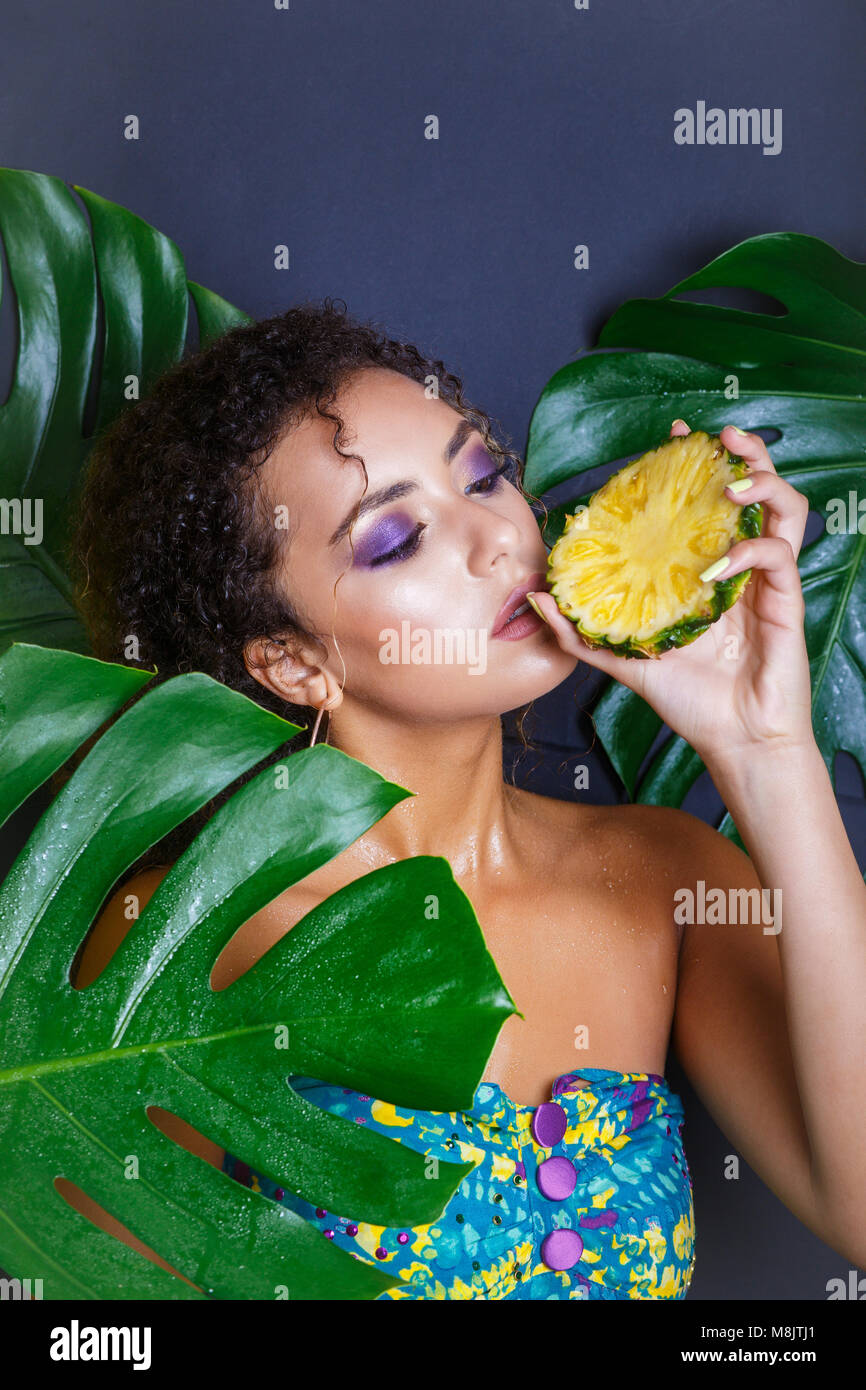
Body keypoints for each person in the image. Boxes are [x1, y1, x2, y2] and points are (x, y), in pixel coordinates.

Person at [68, 298, 866, 1299]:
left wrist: (767, 749)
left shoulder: (668, 879)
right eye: (398, 536)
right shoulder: (184, 937)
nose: (495, 540)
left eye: (482, 472)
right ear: (293, 661)